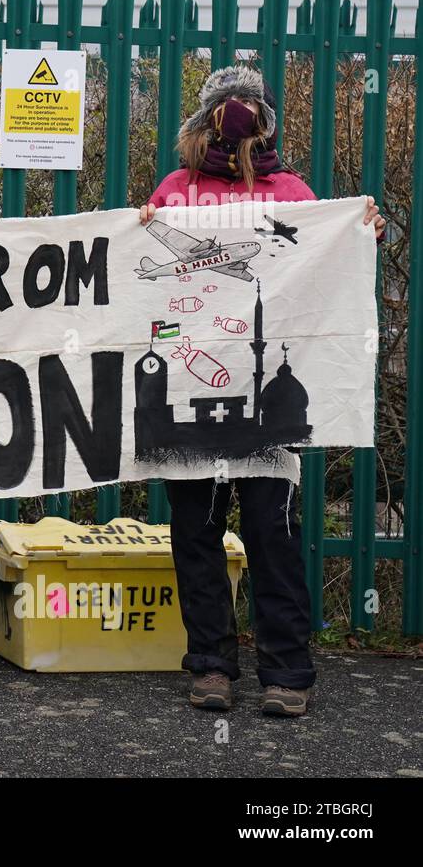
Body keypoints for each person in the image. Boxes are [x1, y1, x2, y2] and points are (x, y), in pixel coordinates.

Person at [140, 64, 385, 717]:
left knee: (271, 534)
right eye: (225, 105)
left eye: (249, 103)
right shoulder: (175, 190)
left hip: (270, 401)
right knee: (196, 533)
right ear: (204, 120)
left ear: (267, 117)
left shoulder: (292, 190)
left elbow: (324, 263)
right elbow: (144, 278)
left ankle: (287, 670)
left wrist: (361, 234)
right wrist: (137, 230)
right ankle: (212, 665)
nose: (237, 116)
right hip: (191, 394)